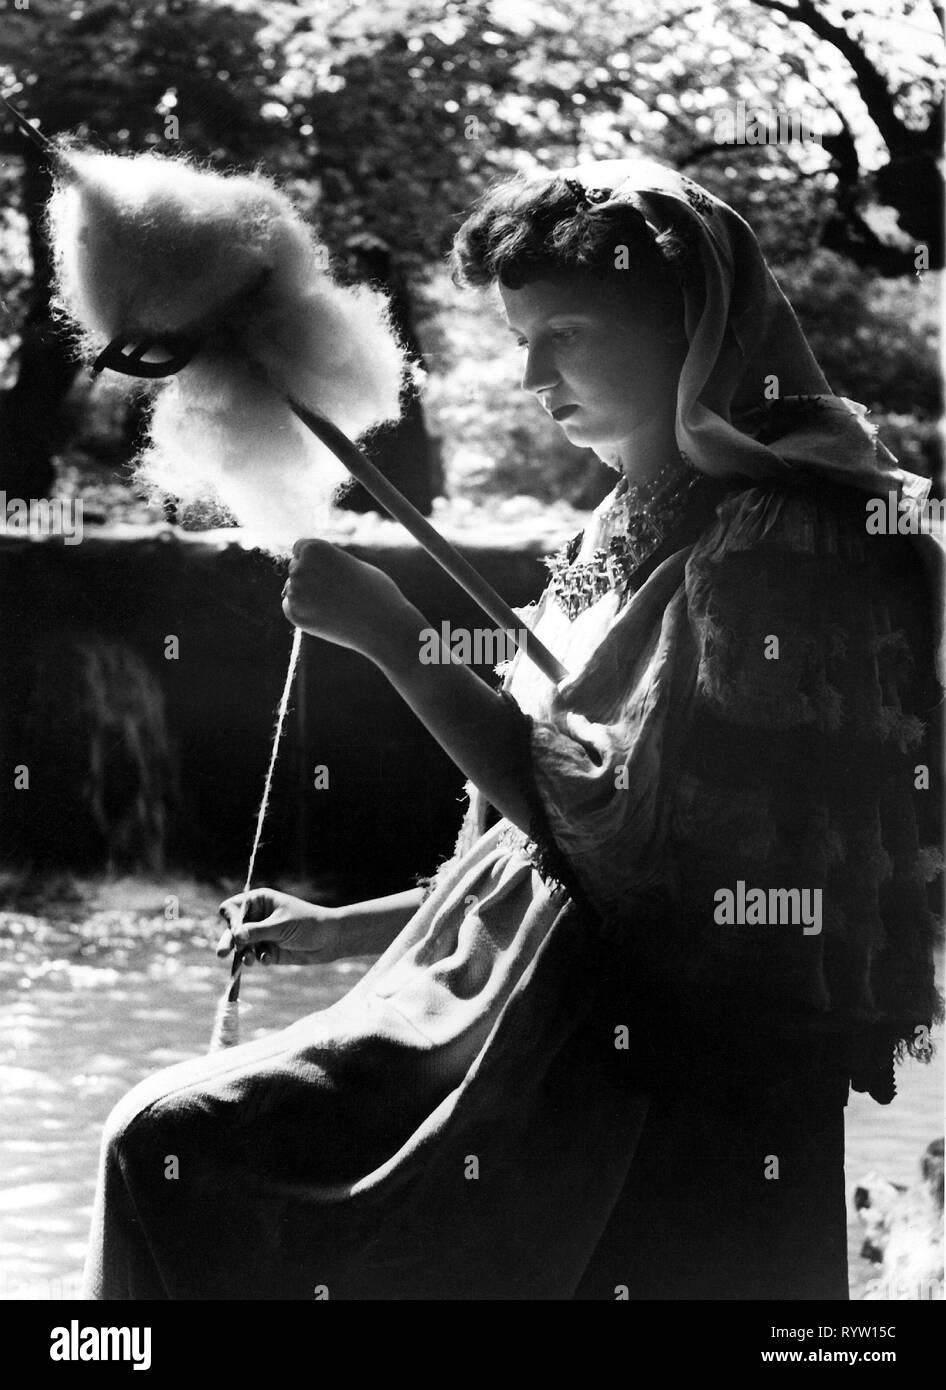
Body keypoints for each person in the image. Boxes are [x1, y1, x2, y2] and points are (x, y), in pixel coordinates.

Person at [83, 158, 943, 1301]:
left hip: (630, 1071)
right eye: (521, 337)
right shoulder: (620, 520)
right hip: (531, 1019)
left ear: (693, 328)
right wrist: (343, 929)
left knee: (172, 1147)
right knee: (165, 1145)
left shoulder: (781, 540)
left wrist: (394, 640)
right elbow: (538, 852)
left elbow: (640, 862)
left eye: (569, 332)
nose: (534, 375)